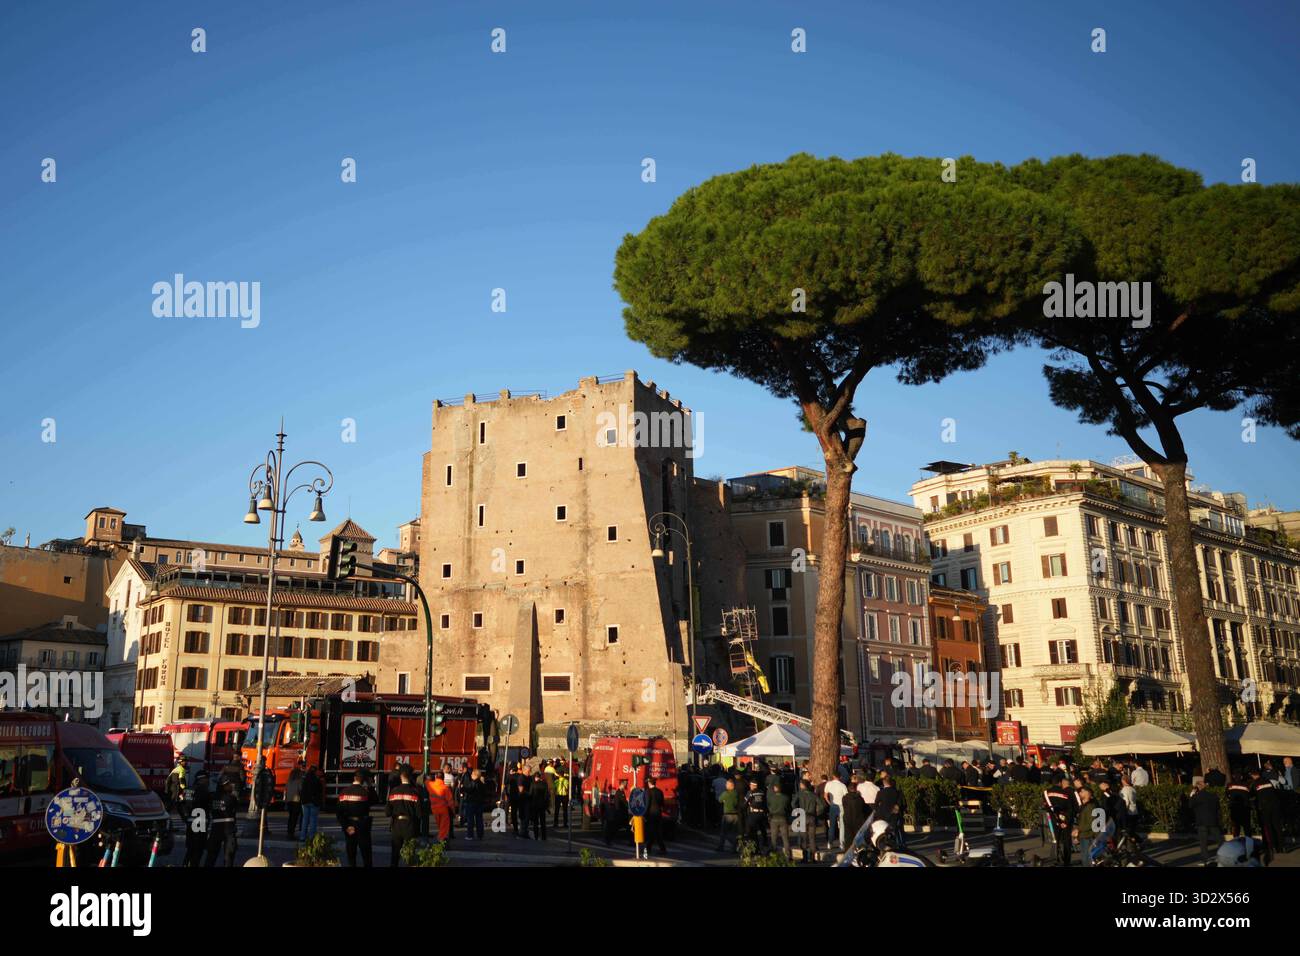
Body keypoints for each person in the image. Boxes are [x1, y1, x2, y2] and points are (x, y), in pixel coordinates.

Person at [337, 771, 374, 867]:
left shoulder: (343, 792)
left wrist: (346, 826)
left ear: (354, 778)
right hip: (363, 826)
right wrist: (370, 786)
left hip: (349, 826)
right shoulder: (365, 792)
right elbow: (375, 800)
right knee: (366, 856)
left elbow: (339, 813)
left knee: (351, 855)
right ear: (363, 780)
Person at [386, 768, 422, 866]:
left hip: (396, 826)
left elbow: (387, 812)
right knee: (410, 855)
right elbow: (419, 813)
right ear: (410, 777)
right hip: (410, 825)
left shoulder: (393, 791)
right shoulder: (415, 792)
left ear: (400, 776)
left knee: (394, 855)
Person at [204, 778, 240, 868]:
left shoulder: (212, 797)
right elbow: (234, 809)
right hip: (229, 829)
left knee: (211, 856)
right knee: (228, 856)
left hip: (215, 828)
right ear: (224, 786)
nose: (230, 786)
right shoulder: (231, 798)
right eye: (228, 784)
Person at [1252, 769, 1284, 865]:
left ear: (1253, 775)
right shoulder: (1267, 780)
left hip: (1265, 807)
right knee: (1277, 826)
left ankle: (1272, 846)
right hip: (1275, 805)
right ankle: (1281, 847)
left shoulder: (1255, 784)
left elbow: (1254, 796)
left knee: (1268, 827)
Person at [1189, 777, 1222, 866]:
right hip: (1212, 820)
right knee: (1219, 839)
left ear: (1197, 788)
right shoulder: (1213, 796)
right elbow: (1217, 807)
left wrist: (1192, 795)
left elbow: (1190, 805)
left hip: (1201, 822)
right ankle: (1223, 855)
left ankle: (1206, 859)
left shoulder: (1196, 797)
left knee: (1203, 842)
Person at [180, 771, 211, 867]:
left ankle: (185, 865)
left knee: (190, 848)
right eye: (207, 778)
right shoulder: (204, 791)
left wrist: (185, 817)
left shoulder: (187, 790)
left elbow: (180, 804)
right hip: (200, 822)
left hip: (190, 822)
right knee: (198, 849)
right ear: (203, 779)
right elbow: (210, 806)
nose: (208, 781)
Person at [1044, 777, 1075, 866]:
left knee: (1055, 839)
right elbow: (1070, 808)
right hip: (1065, 819)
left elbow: (1047, 806)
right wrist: (1066, 821)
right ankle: (1066, 861)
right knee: (1066, 840)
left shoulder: (1046, 792)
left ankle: (1055, 859)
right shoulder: (1065, 793)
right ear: (1060, 783)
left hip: (1052, 819)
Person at [793, 779, 824, 863]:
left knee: (804, 838)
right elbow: (821, 806)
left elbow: (793, 803)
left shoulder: (799, 794)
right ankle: (813, 858)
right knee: (812, 838)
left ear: (803, 785)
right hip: (812, 816)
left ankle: (805, 858)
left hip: (803, 816)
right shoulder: (813, 795)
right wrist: (817, 813)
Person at [427, 769, 456, 842]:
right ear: (443, 778)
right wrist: (453, 812)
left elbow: (426, 781)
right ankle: (441, 841)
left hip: (434, 809)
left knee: (440, 825)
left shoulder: (430, 785)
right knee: (444, 826)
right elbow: (450, 802)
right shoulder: (445, 788)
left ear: (436, 777)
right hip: (443, 809)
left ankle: (441, 838)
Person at [768, 781, 793, 860]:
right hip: (783, 818)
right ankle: (788, 855)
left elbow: (768, 806)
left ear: (775, 788)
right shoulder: (786, 797)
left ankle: (773, 855)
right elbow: (789, 808)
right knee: (785, 838)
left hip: (774, 818)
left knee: (774, 838)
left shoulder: (771, 797)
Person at [823, 772, 848, 850]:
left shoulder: (828, 784)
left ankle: (830, 843)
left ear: (833, 776)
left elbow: (825, 795)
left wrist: (829, 803)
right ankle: (841, 843)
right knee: (842, 825)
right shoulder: (843, 785)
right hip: (841, 806)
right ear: (840, 777)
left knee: (832, 825)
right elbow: (846, 797)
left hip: (833, 805)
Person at [644, 777, 668, 856]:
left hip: (651, 814)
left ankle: (648, 849)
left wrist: (644, 814)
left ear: (649, 783)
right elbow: (662, 804)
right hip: (658, 813)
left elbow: (647, 804)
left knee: (651, 831)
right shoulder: (659, 791)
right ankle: (660, 848)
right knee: (657, 831)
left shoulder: (648, 792)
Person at [744, 779, 770, 851]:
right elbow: (765, 802)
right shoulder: (762, 792)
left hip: (753, 813)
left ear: (752, 786)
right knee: (762, 828)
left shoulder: (750, 792)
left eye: (750, 785)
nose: (750, 786)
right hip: (762, 813)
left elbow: (745, 803)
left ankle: (756, 846)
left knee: (753, 830)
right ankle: (765, 842)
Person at [461, 768, 486, 839]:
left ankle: (470, 835)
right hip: (480, 803)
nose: (471, 775)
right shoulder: (482, 783)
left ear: (475, 775)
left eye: (472, 774)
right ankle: (480, 835)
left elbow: (468, 789)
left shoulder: (473, 782)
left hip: (472, 803)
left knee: (470, 820)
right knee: (479, 819)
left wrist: (463, 787)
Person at [717, 779, 741, 852]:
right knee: (734, 833)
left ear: (731, 786)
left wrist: (724, 800)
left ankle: (721, 847)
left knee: (724, 832)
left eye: (727, 784)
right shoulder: (736, 793)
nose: (726, 785)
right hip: (736, 815)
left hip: (727, 815)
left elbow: (720, 800)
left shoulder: (726, 793)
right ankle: (734, 848)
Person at [300, 765, 323, 841]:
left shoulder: (305, 779)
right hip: (314, 802)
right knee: (313, 820)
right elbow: (320, 791)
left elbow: (302, 791)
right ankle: (311, 837)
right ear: (315, 771)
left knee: (305, 819)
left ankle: (302, 836)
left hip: (305, 801)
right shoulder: (317, 780)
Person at [1228, 774, 1253, 839]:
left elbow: (1227, 794)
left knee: (1236, 828)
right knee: (1247, 828)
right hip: (1245, 809)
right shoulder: (1246, 785)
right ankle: (1249, 846)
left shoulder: (1230, 785)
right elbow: (1250, 794)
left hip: (1234, 809)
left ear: (1233, 776)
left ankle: (1236, 845)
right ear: (1241, 777)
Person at [284, 760, 305, 839]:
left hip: (289, 801)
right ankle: (291, 833)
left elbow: (286, 791)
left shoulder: (289, 781)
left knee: (290, 817)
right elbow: (301, 790)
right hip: (296, 800)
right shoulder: (299, 781)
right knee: (294, 818)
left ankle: (289, 831)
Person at [529, 772, 550, 840]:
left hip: (535, 805)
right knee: (543, 822)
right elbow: (547, 796)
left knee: (535, 822)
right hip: (542, 805)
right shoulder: (544, 784)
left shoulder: (533, 784)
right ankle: (544, 836)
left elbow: (530, 794)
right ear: (540, 777)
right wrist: (547, 805)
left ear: (535, 777)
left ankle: (536, 836)